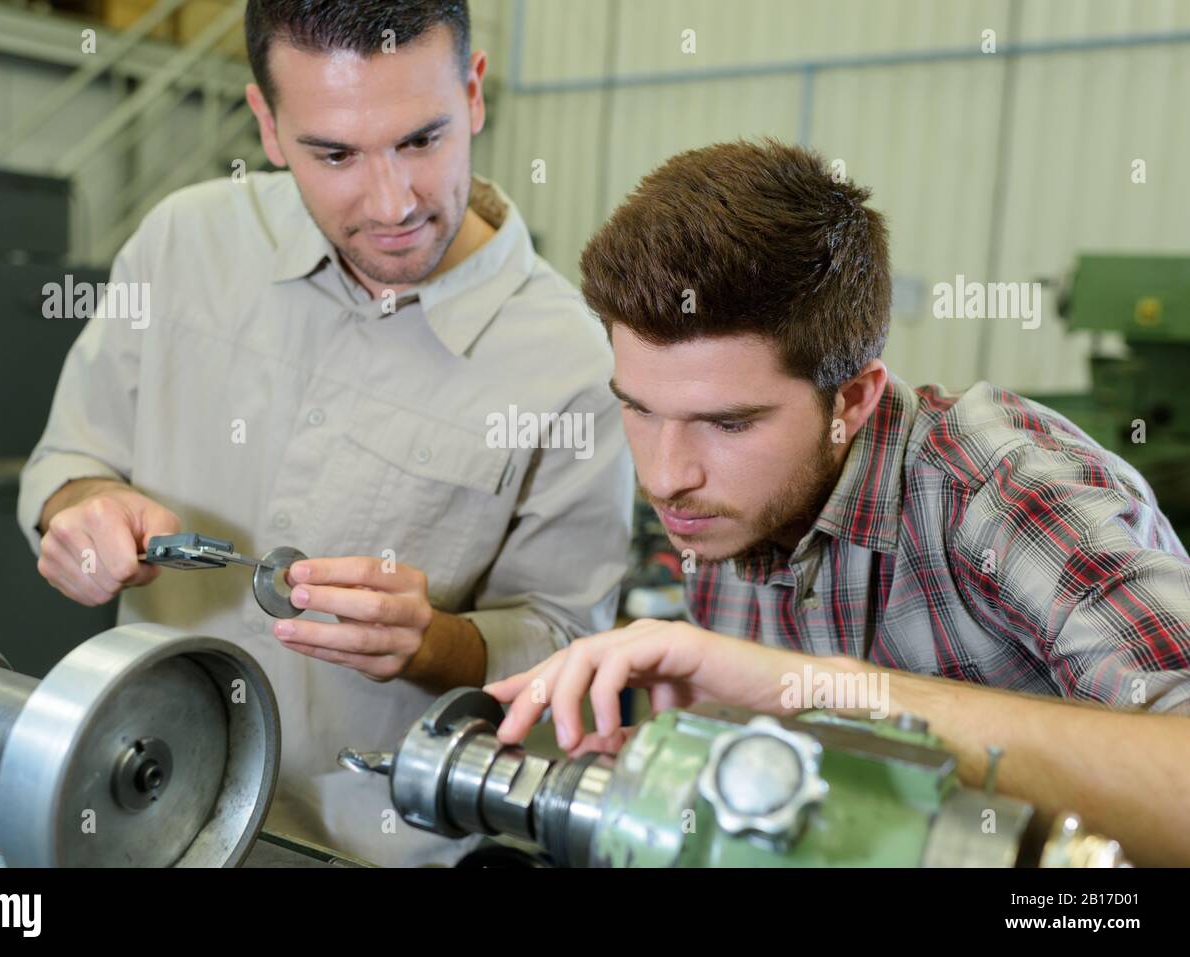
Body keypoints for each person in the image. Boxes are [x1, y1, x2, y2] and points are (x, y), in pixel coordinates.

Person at [17, 0, 632, 866]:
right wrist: (78, 510)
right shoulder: (181, 244)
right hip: (143, 809)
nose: (392, 202)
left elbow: (567, 642)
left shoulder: (571, 363)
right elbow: (69, 461)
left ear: (475, 92)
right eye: (335, 153)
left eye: (423, 139)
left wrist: (433, 643)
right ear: (267, 125)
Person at [486, 139, 1190, 867]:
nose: (667, 477)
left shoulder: (1004, 493)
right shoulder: (725, 512)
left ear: (852, 398)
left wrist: (825, 695)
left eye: (729, 423)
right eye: (638, 409)